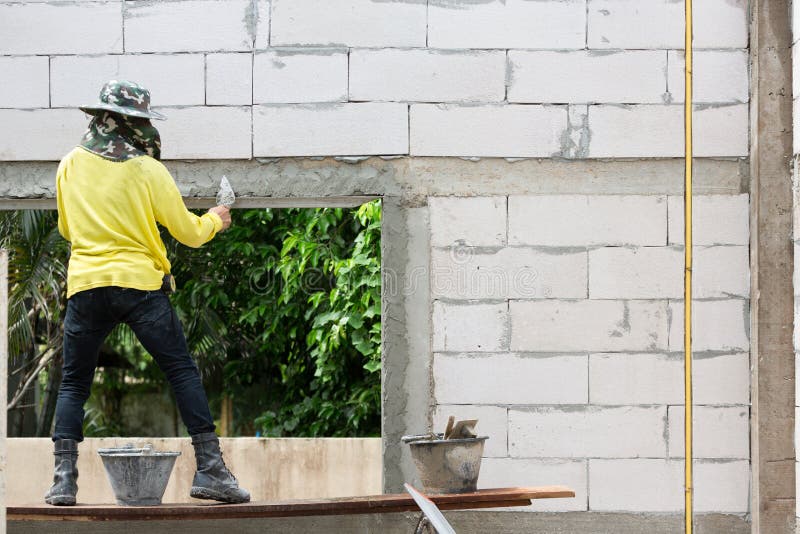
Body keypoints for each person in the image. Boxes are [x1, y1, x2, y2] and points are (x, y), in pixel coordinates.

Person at [45, 80, 250, 506]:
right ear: (134, 124)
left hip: (86, 285)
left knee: (73, 385)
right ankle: (211, 470)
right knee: (181, 371)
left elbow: (67, 229)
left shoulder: (68, 164)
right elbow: (189, 234)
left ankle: (63, 481)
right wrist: (215, 218)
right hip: (140, 286)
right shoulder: (147, 169)